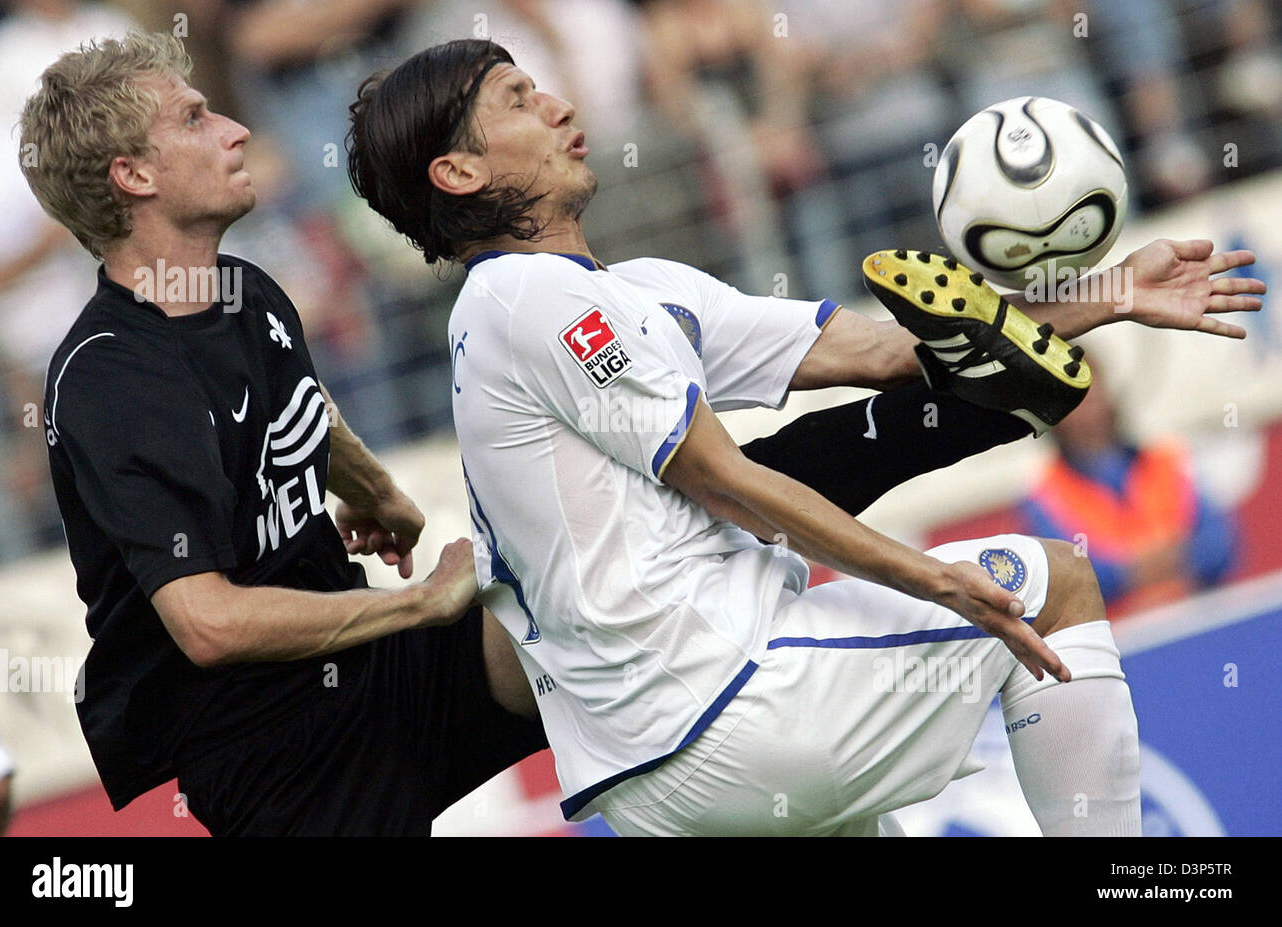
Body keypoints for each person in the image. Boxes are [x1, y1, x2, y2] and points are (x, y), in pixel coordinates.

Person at [345, 38, 1265, 835]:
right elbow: (726, 481)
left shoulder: (624, 292)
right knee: (1056, 584)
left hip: (655, 763)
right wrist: (932, 578)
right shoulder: (526, 296)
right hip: (727, 701)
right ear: (458, 173)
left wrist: (1110, 293)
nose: (561, 105)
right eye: (517, 100)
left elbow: (888, 350)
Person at [20, 32, 545, 836]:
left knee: (564, 606)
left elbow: (303, 408)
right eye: (196, 119)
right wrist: (419, 604)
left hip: (372, 670)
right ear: (135, 175)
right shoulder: (107, 378)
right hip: (272, 754)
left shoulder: (242, 289)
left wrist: (379, 494)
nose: (235, 130)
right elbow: (208, 624)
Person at [1022, 365, 1238, 616]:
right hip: (1117, 640)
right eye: (1072, 398)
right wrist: (1136, 570)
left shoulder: (1165, 460)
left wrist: (1170, 561)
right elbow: (1070, 583)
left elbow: (1220, 546)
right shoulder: (1045, 495)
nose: (1088, 404)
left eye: (1090, 389)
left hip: (1198, 618)